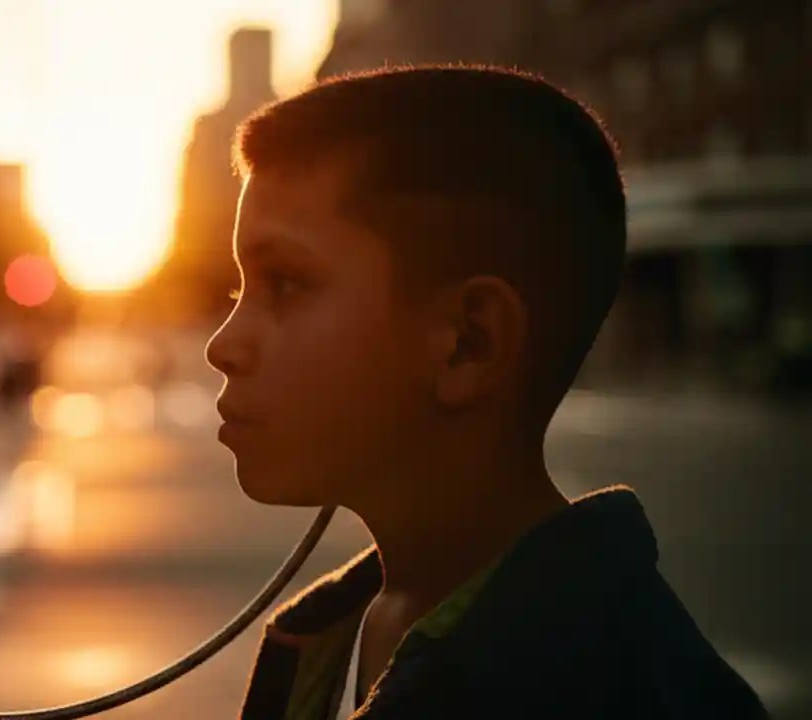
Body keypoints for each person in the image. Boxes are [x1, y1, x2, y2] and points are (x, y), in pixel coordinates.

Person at [205, 65, 768, 719]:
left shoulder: (634, 694)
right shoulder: (328, 635)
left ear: (469, 343)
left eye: (286, 285)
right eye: (237, 290)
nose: (223, 346)